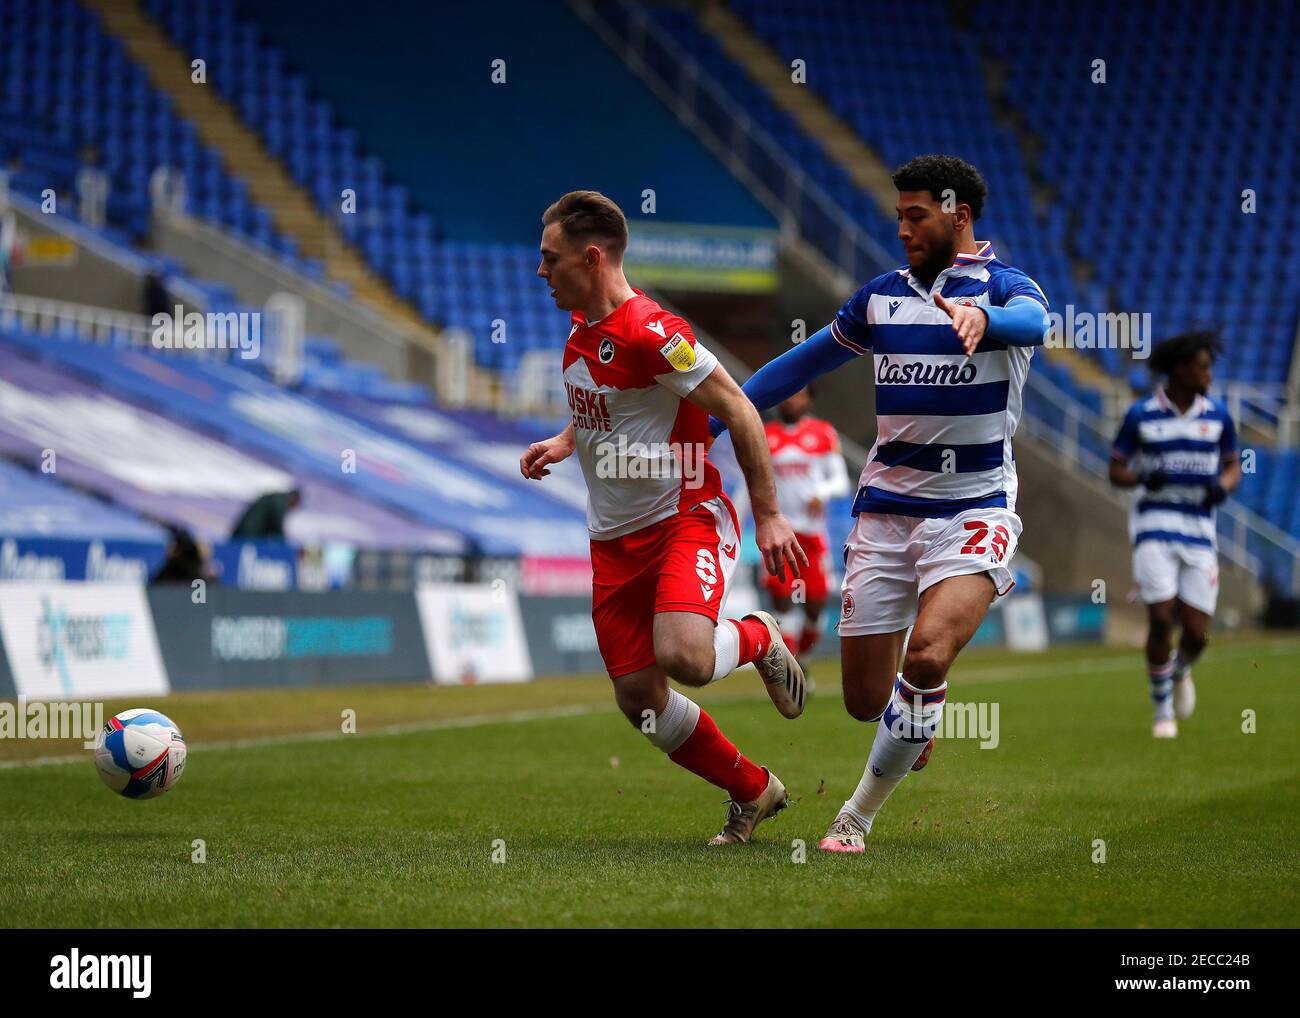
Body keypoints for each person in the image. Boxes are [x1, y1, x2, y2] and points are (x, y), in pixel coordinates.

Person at [711, 155, 1049, 853]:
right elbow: (800, 367)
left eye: (916, 215)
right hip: (885, 515)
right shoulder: (879, 299)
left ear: (958, 216)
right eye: (898, 215)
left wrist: (984, 319)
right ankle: (914, 718)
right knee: (867, 700)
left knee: (926, 657)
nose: (902, 229)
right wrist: (717, 416)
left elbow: (1034, 323)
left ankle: (855, 816)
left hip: (973, 509)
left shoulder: (1007, 288)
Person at [520, 190, 807, 846]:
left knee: (686, 657)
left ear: (591, 258)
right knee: (640, 703)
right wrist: (569, 440)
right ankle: (754, 790)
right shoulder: (580, 324)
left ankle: (757, 638)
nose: (541, 271)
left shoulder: (655, 332)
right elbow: (608, 394)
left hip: (683, 519)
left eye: (550, 258)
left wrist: (767, 516)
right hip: (611, 543)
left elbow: (739, 409)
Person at [1108, 331, 1240, 738]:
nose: (1209, 374)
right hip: (1154, 528)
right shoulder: (1141, 414)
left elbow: (1233, 465)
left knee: (1197, 633)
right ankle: (1162, 708)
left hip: (1199, 531)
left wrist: (1225, 485)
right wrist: (1143, 476)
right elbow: (1115, 469)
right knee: (1162, 620)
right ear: (1182, 369)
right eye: (1203, 366)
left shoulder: (1217, 416)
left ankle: (1179, 671)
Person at [762, 386, 851, 661]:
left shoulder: (823, 433)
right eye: (787, 394)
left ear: (809, 400)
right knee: (782, 601)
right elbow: (750, 481)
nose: (791, 399)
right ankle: (788, 667)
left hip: (812, 535)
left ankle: (801, 660)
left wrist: (821, 493)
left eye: (799, 395)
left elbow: (841, 482)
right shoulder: (764, 435)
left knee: (814, 605)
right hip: (779, 534)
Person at [230, 489, 301, 540]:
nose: (293, 508)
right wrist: (283, 544)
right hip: (249, 535)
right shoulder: (279, 501)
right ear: (293, 499)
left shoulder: (275, 498)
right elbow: (277, 525)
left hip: (244, 533)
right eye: (295, 504)